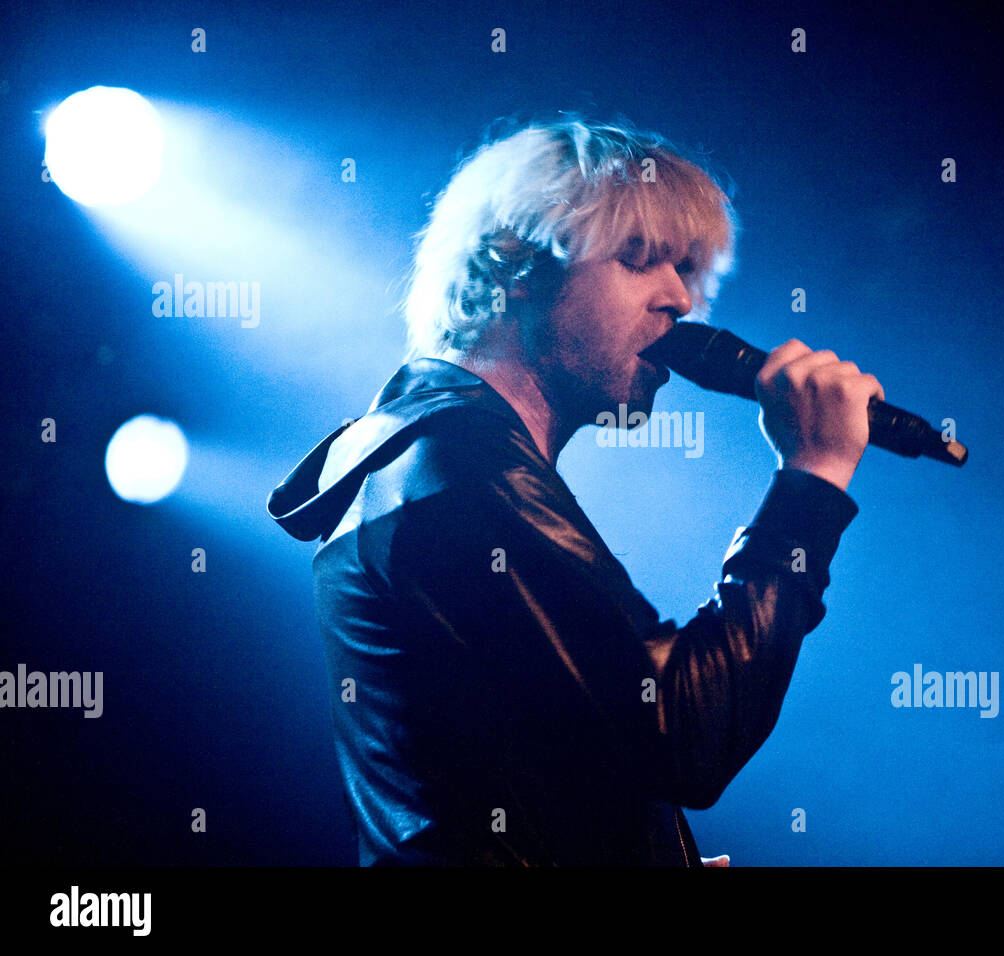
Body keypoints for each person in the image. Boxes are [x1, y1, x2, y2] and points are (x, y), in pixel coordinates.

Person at [267, 118, 883, 866]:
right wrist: (810, 483)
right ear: (515, 265)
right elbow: (685, 734)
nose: (681, 301)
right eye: (638, 259)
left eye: (689, 270)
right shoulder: (458, 469)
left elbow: (545, 765)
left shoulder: (440, 456)